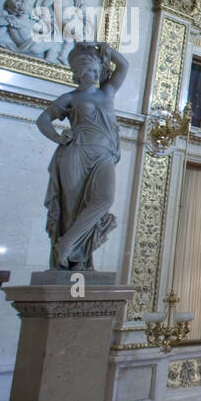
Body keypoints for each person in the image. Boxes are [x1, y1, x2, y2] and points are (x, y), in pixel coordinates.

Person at [36, 41, 126, 270]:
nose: (94, 73)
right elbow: (43, 120)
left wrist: (104, 48)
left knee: (104, 199)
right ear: (78, 72)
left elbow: (124, 66)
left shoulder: (107, 92)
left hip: (103, 154)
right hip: (75, 152)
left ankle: (67, 243)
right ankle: (74, 262)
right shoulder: (70, 98)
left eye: (96, 69)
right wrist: (57, 138)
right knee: (71, 208)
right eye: (88, 69)